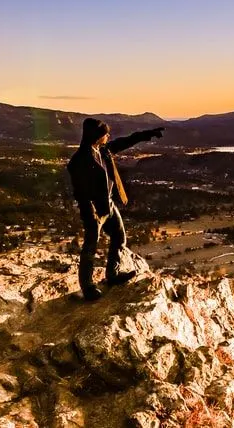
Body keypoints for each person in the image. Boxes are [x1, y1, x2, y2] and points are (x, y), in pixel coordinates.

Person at [67, 117, 164, 301]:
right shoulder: (79, 161)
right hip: (94, 209)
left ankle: (113, 274)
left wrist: (146, 135)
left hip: (108, 204)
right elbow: (80, 192)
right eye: (105, 134)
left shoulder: (103, 150)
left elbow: (124, 142)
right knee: (90, 246)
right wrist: (89, 211)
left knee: (119, 237)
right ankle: (87, 287)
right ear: (96, 136)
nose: (108, 136)